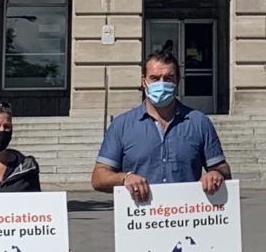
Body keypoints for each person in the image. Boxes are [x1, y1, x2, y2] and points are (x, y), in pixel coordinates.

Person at [93, 50, 229, 203]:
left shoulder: (198, 122)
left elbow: (222, 168)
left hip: (187, 216)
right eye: (155, 78)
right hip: (140, 219)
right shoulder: (122, 125)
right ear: (144, 81)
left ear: (178, 81)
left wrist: (216, 174)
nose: (161, 83)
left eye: (168, 78)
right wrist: (125, 178)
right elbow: (99, 177)